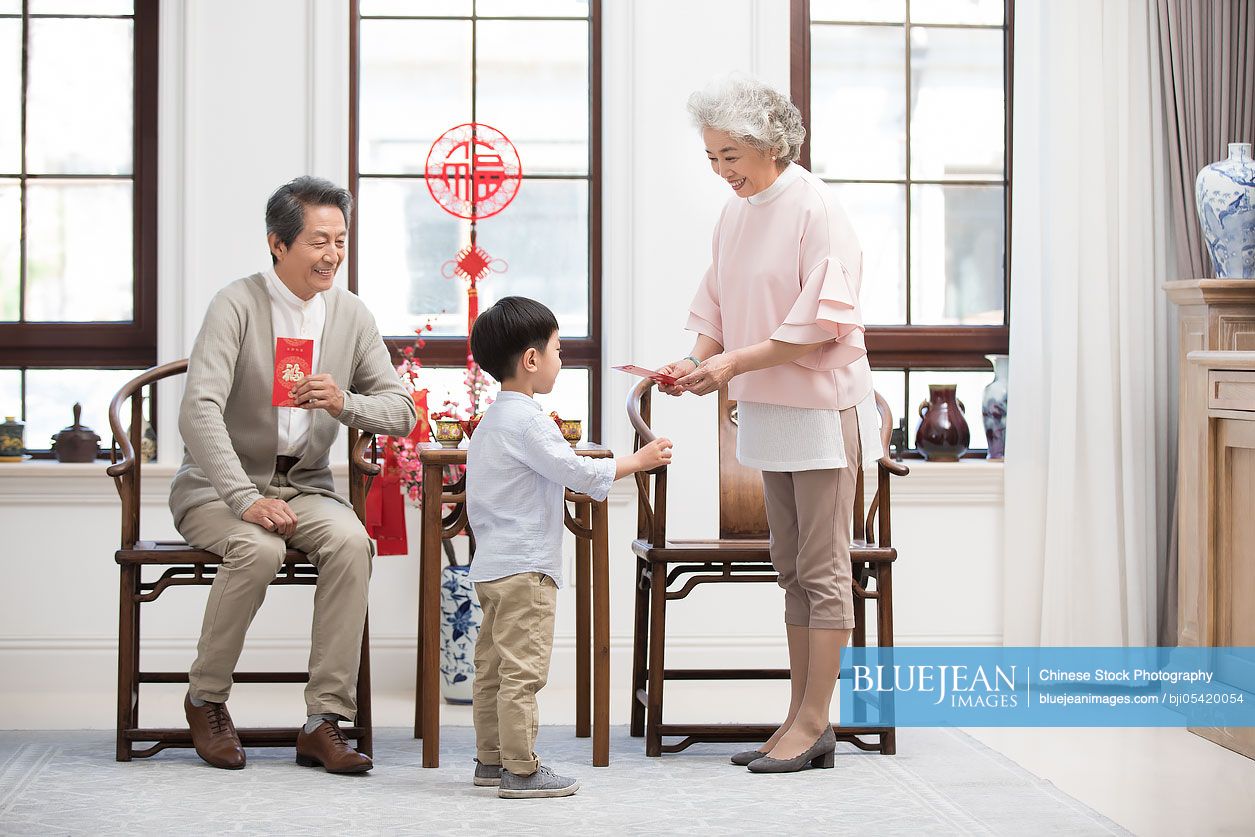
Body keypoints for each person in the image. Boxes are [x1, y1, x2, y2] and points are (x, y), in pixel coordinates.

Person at [656, 75, 884, 774]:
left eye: (732, 156)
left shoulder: (815, 207)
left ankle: (816, 722)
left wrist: (730, 365)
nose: (723, 172)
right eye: (712, 158)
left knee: (821, 569)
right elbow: (717, 303)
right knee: (788, 567)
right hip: (767, 408)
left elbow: (819, 325)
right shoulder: (736, 213)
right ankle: (795, 716)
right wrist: (695, 360)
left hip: (817, 410)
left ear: (769, 143)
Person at [170, 176, 417, 773]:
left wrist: (342, 403)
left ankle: (323, 720)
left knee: (353, 541)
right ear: (277, 244)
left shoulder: (351, 314)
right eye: (317, 241)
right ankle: (206, 699)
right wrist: (243, 497)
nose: (332, 255)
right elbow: (196, 409)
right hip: (217, 487)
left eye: (340, 240)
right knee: (256, 549)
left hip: (305, 487)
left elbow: (401, 410)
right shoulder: (236, 303)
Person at [466, 296, 673, 798]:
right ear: (531, 360)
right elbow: (576, 470)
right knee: (523, 672)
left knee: (492, 670)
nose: (561, 359)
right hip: (527, 570)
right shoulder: (530, 420)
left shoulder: (490, 423)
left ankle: (491, 760)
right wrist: (637, 460)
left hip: (491, 568)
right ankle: (521, 768)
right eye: (558, 350)